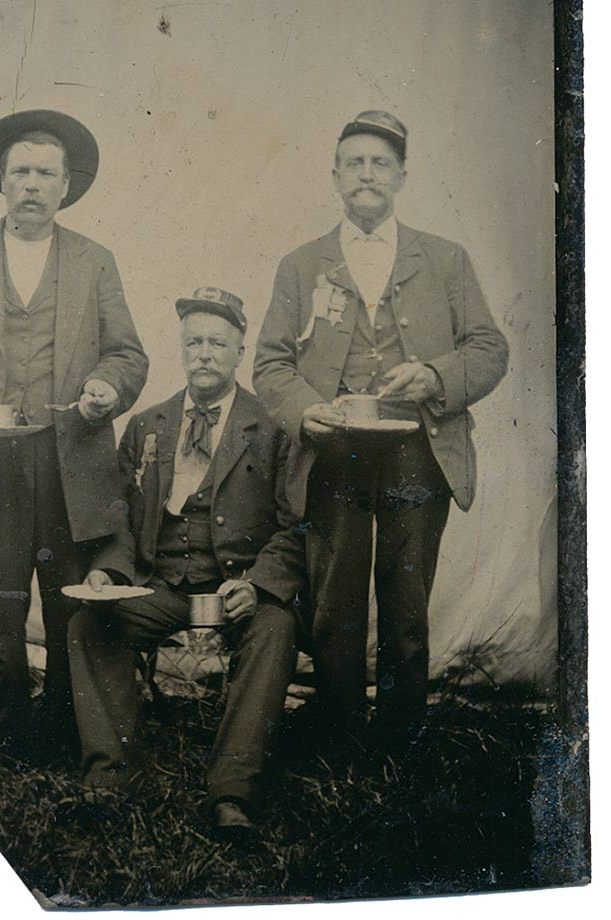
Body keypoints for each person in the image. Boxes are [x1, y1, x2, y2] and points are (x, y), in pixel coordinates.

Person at [253, 110, 509, 749]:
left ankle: (400, 738)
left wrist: (434, 374)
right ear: (336, 175)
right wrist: (305, 411)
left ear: (401, 176)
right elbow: (270, 363)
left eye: (380, 163)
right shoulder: (301, 264)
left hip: (418, 451)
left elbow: (489, 347)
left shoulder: (445, 259)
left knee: (406, 596)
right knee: (335, 598)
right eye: (355, 163)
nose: (367, 174)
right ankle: (339, 734)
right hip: (332, 452)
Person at [0, 109, 148, 765]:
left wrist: (106, 387)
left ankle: (68, 734)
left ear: (66, 186)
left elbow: (129, 356)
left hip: (71, 457)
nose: (32, 185)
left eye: (46, 173)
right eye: (21, 172)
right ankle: (4, 739)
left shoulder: (96, 261)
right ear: (1, 182)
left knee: (70, 603)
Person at [68, 287, 303, 840]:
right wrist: (111, 573)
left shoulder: (271, 427)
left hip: (235, 588)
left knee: (277, 628)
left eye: (217, 343)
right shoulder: (147, 424)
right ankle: (110, 776)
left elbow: (297, 525)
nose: (204, 353)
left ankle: (231, 792)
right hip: (162, 584)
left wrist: (261, 585)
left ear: (240, 351)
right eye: (193, 341)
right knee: (88, 622)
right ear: (180, 347)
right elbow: (120, 517)